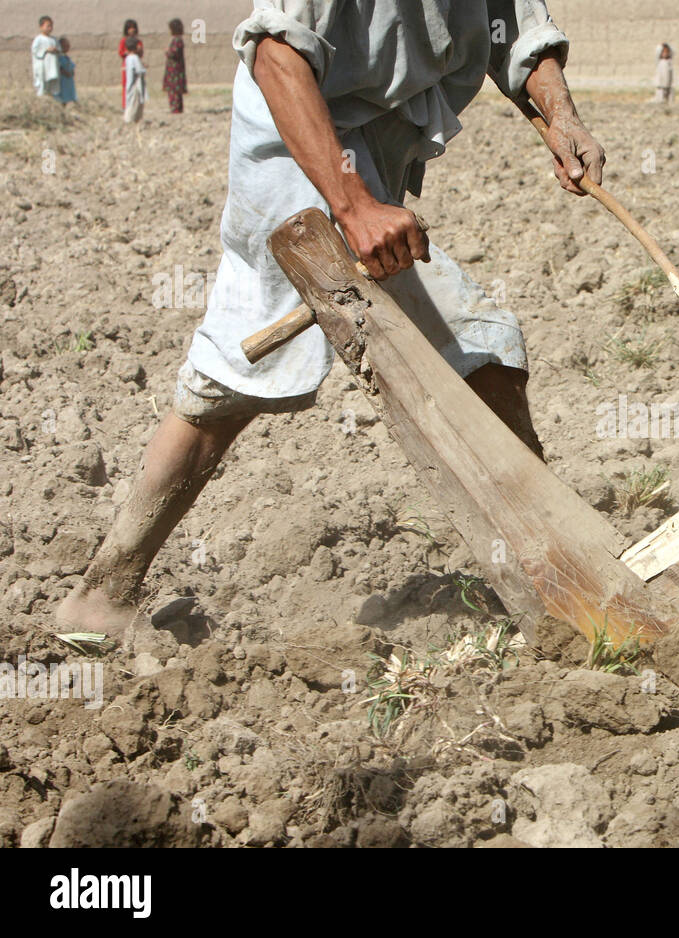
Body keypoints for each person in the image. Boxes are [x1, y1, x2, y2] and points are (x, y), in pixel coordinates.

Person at [57, 0, 606, 639]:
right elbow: (275, 53)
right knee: (243, 377)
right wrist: (352, 206)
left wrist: (562, 121)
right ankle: (104, 589)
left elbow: (510, 29)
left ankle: (557, 563)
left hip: (374, 153)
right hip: (296, 146)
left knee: (481, 348)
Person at [31, 16, 60, 98]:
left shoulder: (54, 39)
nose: (50, 28)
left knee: (52, 84)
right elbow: (35, 51)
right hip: (43, 67)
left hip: (52, 66)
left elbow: (59, 50)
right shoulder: (38, 39)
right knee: (43, 83)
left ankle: (52, 98)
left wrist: (56, 50)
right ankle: (41, 98)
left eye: (51, 26)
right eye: (48, 26)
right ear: (41, 27)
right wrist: (46, 50)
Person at [163, 18, 187, 114]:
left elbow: (174, 53)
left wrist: (167, 52)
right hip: (175, 69)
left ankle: (175, 108)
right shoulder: (178, 40)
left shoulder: (177, 40)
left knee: (174, 90)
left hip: (174, 70)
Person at [119, 20, 143, 109]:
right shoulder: (123, 41)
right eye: (130, 28)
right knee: (126, 85)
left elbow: (141, 54)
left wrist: (137, 51)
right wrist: (127, 53)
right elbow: (121, 53)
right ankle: (125, 104)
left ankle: (135, 104)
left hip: (136, 65)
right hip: (126, 66)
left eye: (133, 28)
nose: (132, 30)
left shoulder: (138, 41)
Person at [124, 38, 146, 123]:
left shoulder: (128, 58)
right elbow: (139, 71)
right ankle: (131, 119)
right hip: (136, 84)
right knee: (134, 102)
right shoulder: (135, 58)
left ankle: (129, 118)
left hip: (130, 83)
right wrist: (144, 68)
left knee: (129, 100)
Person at [56, 37, 77, 106]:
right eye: (65, 46)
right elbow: (59, 67)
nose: (67, 48)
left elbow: (71, 66)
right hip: (62, 80)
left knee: (68, 94)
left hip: (68, 80)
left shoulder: (66, 57)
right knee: (62, 95)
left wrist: (71, 72)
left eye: (68, 46)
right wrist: (65, 73)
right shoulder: (59, 57)